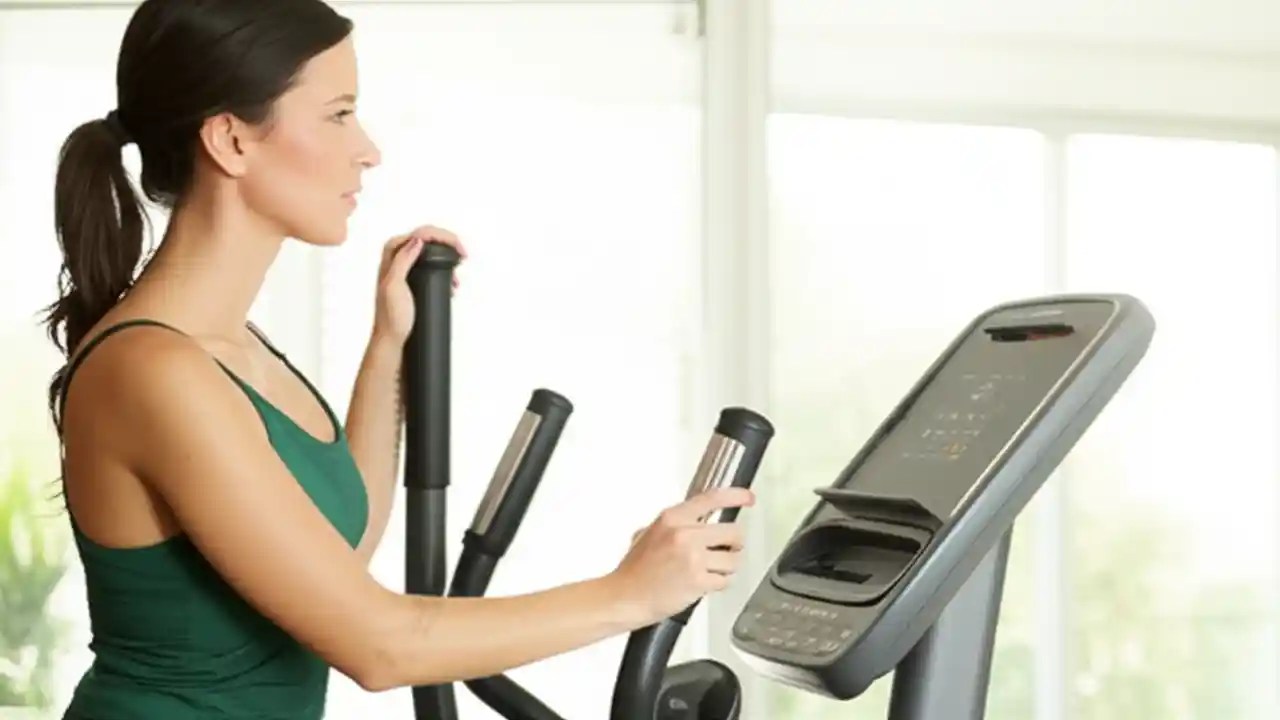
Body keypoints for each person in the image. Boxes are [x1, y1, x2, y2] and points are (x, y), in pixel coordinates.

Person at [42, 1, 754, 718]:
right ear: (231, 140)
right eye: (338, 114)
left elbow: (338, 555)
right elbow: (377, 647)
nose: (369, 149)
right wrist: (629, 593)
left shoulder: (233, 350)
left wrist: (389, 346)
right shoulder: (156, 371)